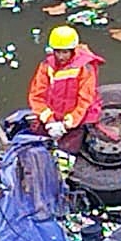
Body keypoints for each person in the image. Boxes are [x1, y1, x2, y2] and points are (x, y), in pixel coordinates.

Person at [27, 25, 104, 153]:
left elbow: (84, 100)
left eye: (65, 52)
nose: (61, 57)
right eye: (57, 52)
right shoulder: (47, 66)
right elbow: (36, 96)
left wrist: (66, 124)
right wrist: (49, 120)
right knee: (36, 146)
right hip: (53, 114)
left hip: (77, 117)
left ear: (73, 50)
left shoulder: (85, 68)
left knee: (66, 153)